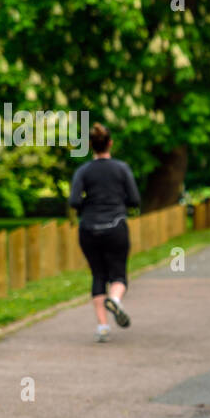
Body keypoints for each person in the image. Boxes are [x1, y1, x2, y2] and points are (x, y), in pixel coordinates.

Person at [69, 123, 140, 342]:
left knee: (98, 274)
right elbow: (135, 199)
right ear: (110, 143)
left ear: (91, 146)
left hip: (89, 228)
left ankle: (102, 327)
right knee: (118, 273)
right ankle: (115, 301)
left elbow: (73, 201)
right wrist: (121, 204)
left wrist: (86, 209)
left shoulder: (83, 171)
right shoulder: (121, 169)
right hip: (116, 225)